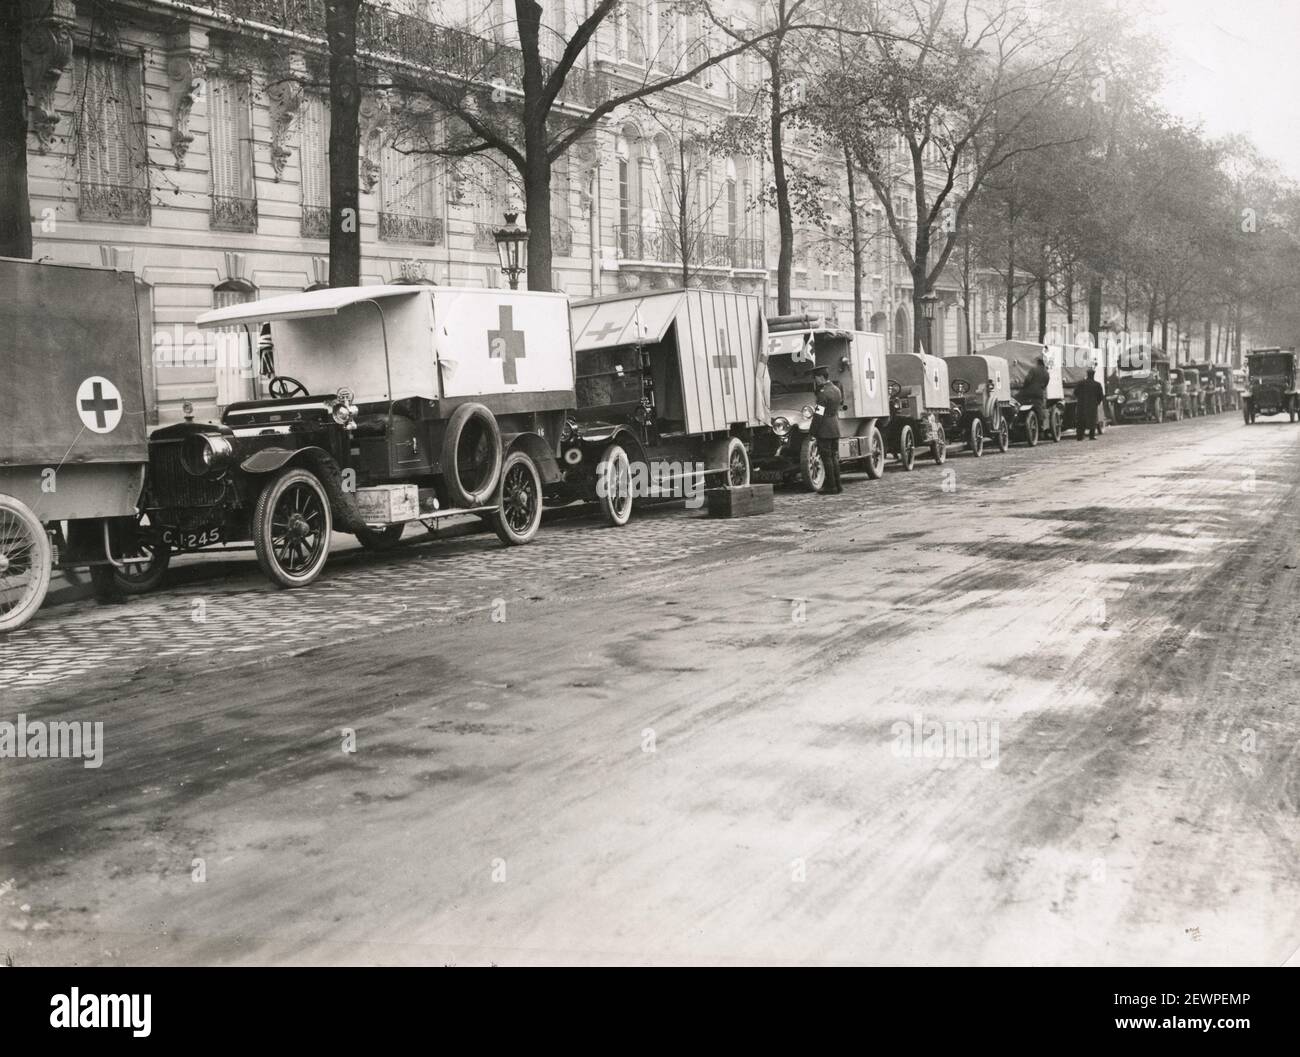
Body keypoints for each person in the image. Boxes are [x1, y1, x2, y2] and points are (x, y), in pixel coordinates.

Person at [812, 367, 843, 494]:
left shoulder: (823, 393)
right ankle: (838, 485)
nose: (816, 381)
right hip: (835, 427)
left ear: (820, 377)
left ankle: (831, 486)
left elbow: (818, 414)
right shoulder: (836, 390)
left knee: (827, 459)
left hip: (824, 429)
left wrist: (812, 431)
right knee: (834, 457)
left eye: (816, 378)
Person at [1018, 354, 1051, 433]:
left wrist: (1024, 387)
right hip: (1039, 393)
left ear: (1038, 362)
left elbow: (1027, 380)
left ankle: (1019, 418)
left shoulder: (1033, 369)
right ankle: (1041, 425)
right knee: (1039, 408)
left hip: (1028, 392)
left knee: (1018, 400)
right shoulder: (1046, 373)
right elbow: (1046, 384)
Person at [1074, 367, 1105, 440]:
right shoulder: (1097, 384)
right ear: (1093, 375)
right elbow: (1101, 396)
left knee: (1081, 420)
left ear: (1087, 374)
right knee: (1092, 420)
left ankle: (1080, 436)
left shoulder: (1080, 383)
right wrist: (1097, 402)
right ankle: (1092, 436)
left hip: (1081, 405)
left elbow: (1075, 393)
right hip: (1092, 406)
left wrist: (1080, 399)